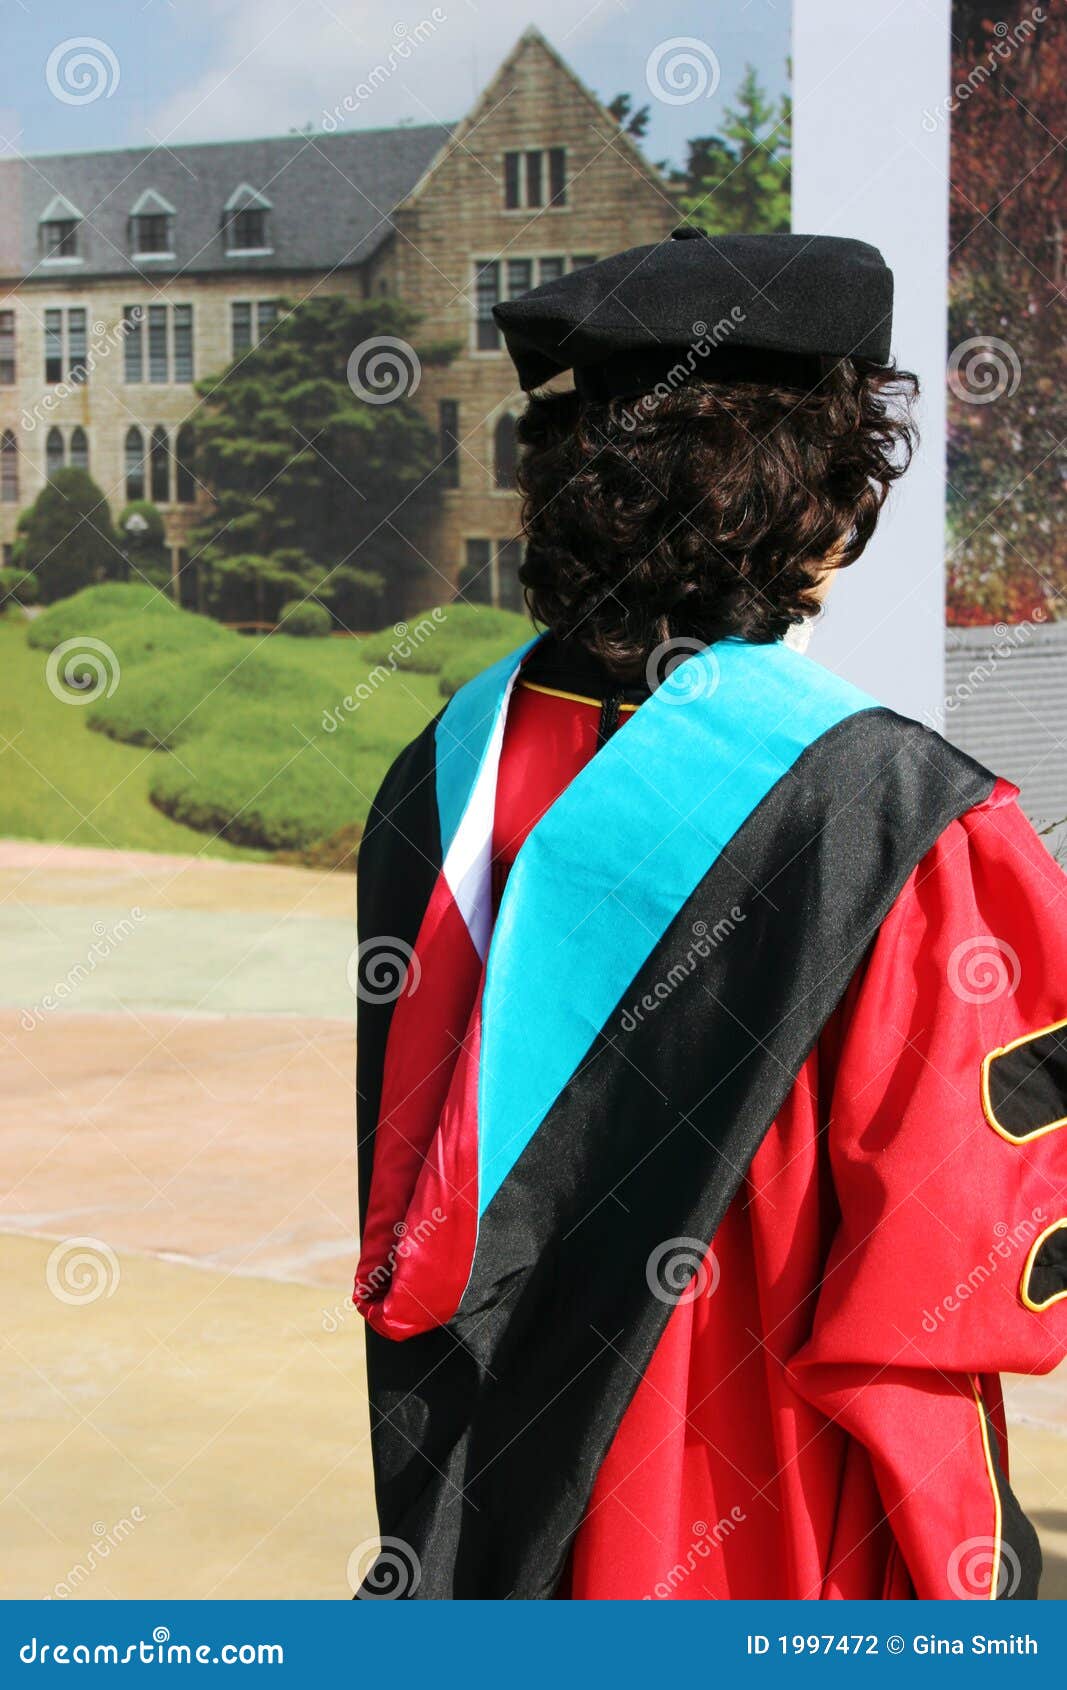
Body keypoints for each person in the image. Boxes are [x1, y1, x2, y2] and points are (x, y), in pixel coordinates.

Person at [352, 228, 1067, 1600]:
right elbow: (946, 1261)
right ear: (818, 503)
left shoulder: (442, 777)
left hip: (480, 1493)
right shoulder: (890, 814)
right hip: (770, 1521)